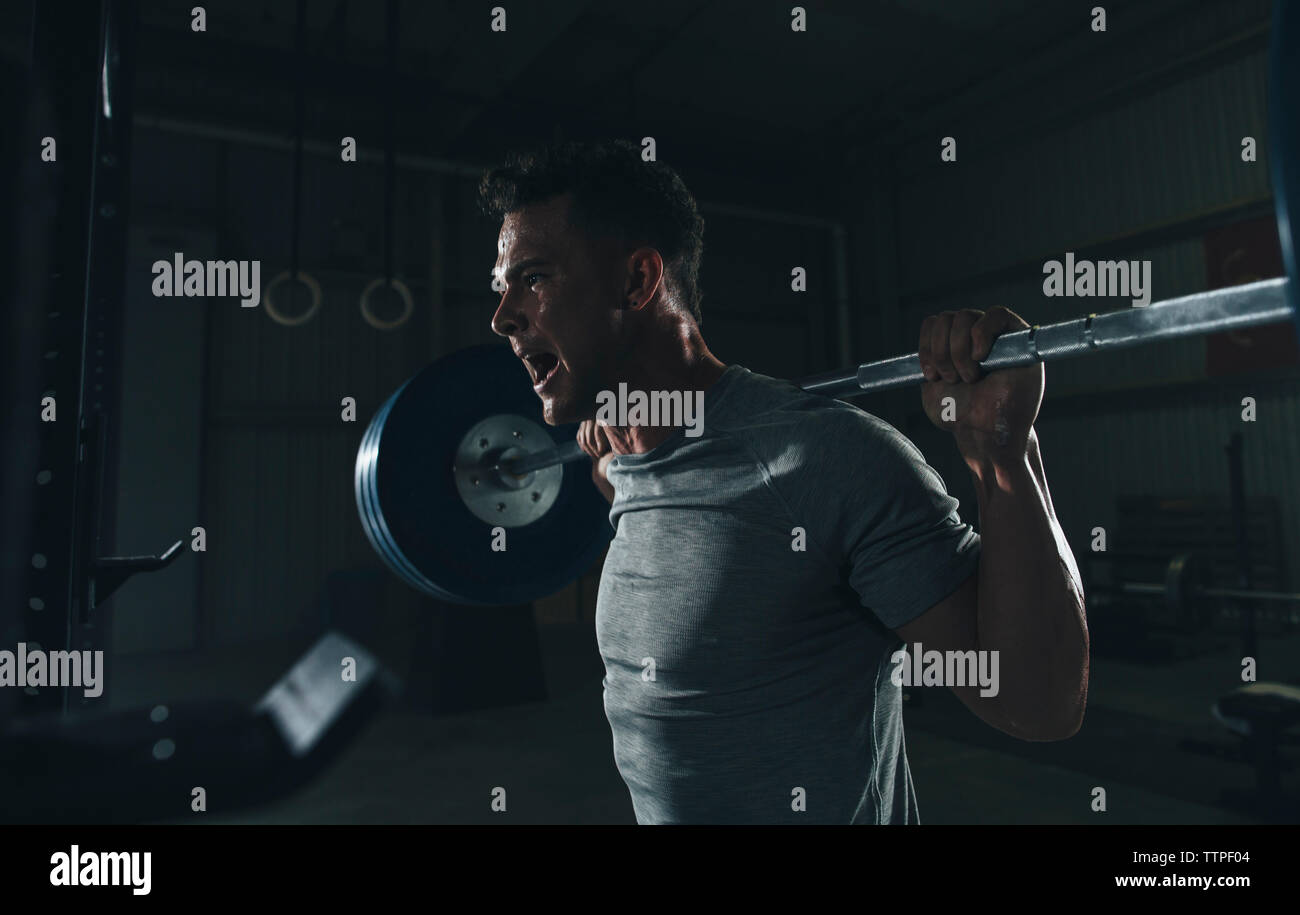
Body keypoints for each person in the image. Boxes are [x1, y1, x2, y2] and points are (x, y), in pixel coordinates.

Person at [479, 139, 1088, 824]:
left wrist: (1004, 452)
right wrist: (613, 438)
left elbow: (1038, 703)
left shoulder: (825, 460)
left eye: (532, 278)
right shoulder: (629, 467)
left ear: (636, 280)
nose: (503, 316)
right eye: (501, 287)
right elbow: (670, 501)